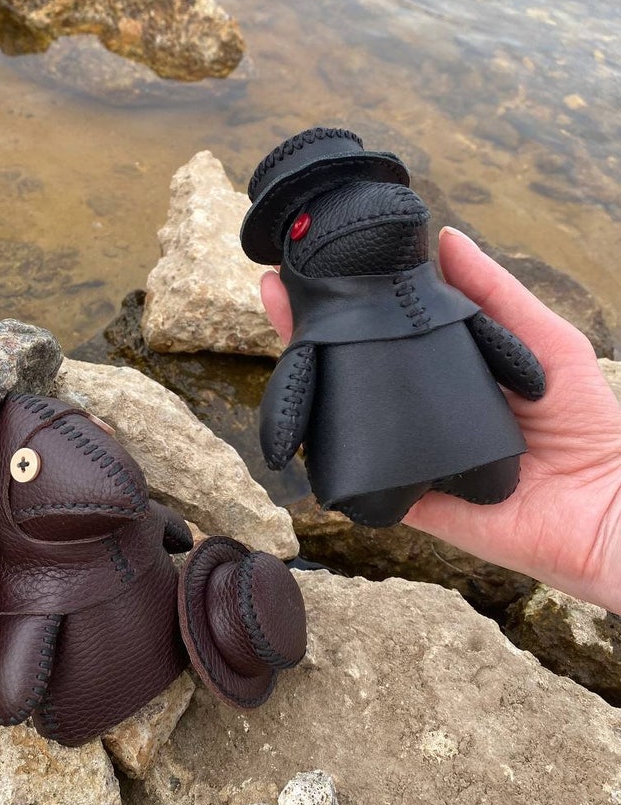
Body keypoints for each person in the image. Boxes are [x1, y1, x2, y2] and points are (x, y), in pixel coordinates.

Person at [260, 225, 621, 616]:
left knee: (376, 503)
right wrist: (604, 509)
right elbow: (520, 369)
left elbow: (291, 391)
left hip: (376, 470)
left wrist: (607, 511)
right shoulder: (438, 299)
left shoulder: (322, 321)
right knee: (482, 481)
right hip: (482, 446)